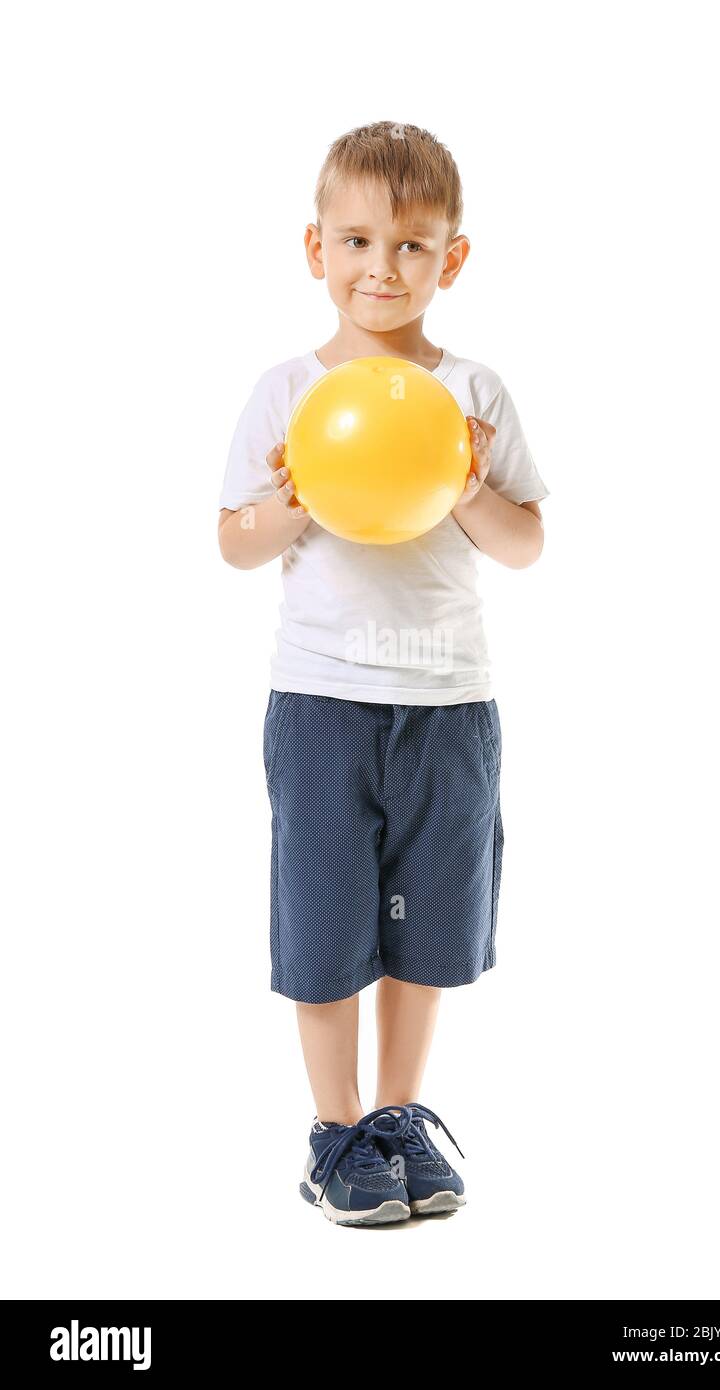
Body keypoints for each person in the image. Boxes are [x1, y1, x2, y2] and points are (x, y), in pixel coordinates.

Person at [218, 120, 549, 1226]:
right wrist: (295, 498)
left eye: (410, 246)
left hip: (447, 703)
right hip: (319, 701)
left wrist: (462, 479)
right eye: (355, 240)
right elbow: (234, 541)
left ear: (450, 259)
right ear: (313, 248)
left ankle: (398, 1120)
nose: (380, 267)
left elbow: (522, 543)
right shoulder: (284, 391)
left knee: (428, 928)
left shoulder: (473, 392)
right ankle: (334, 1132)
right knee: (322, 924)